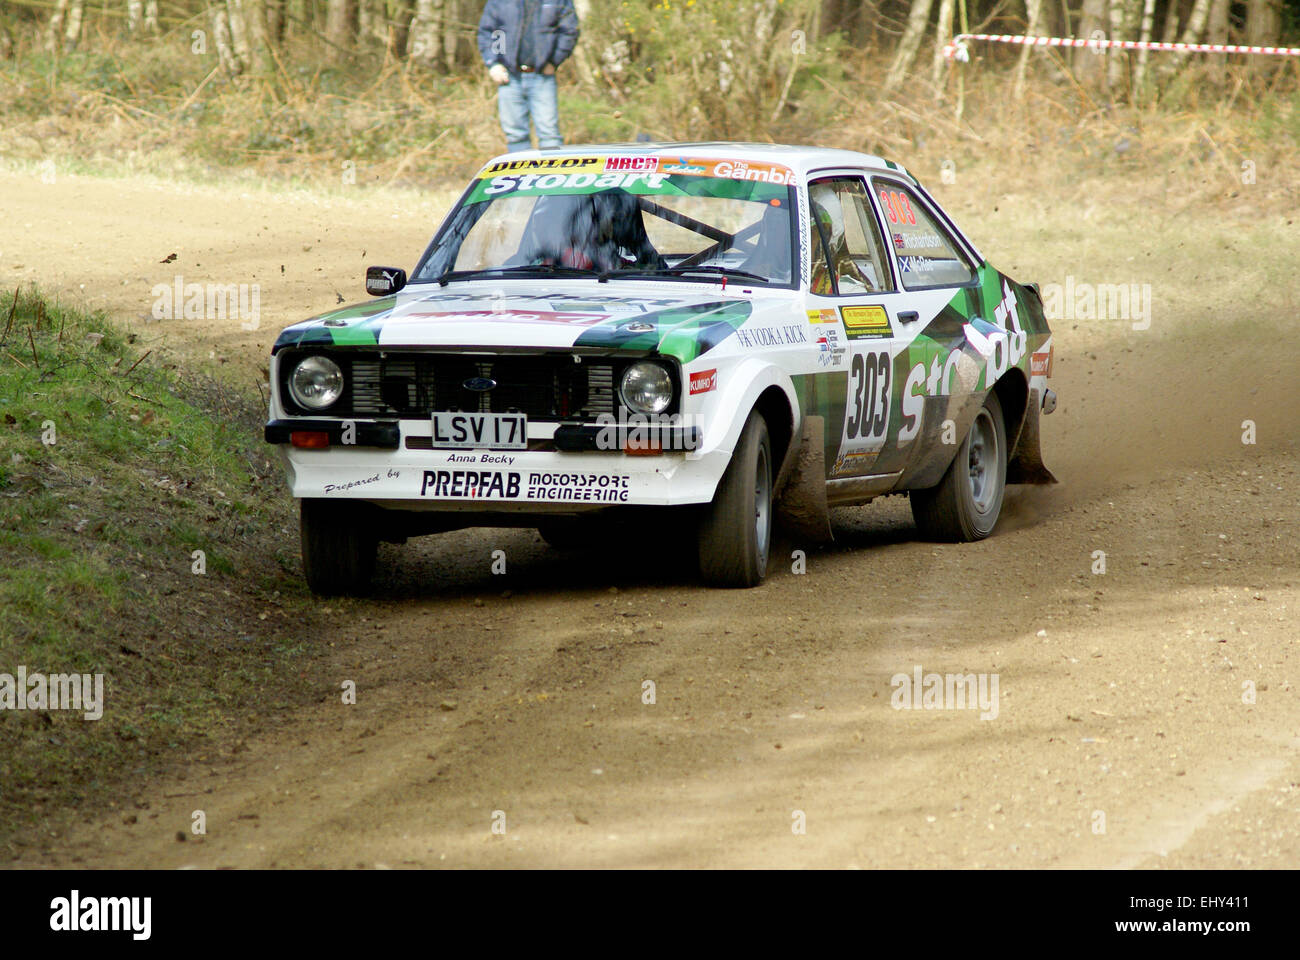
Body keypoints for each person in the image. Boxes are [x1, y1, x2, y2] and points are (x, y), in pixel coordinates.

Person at [477, 1, 580, 154]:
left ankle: (552, 176)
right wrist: (494, 63)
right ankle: (522, 177)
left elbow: (570, 30)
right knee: (516, 136)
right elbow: (489, 32)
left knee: (549, 135)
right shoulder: (498, 2)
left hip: (542, 77)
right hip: (509, 77)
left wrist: (554, 61)